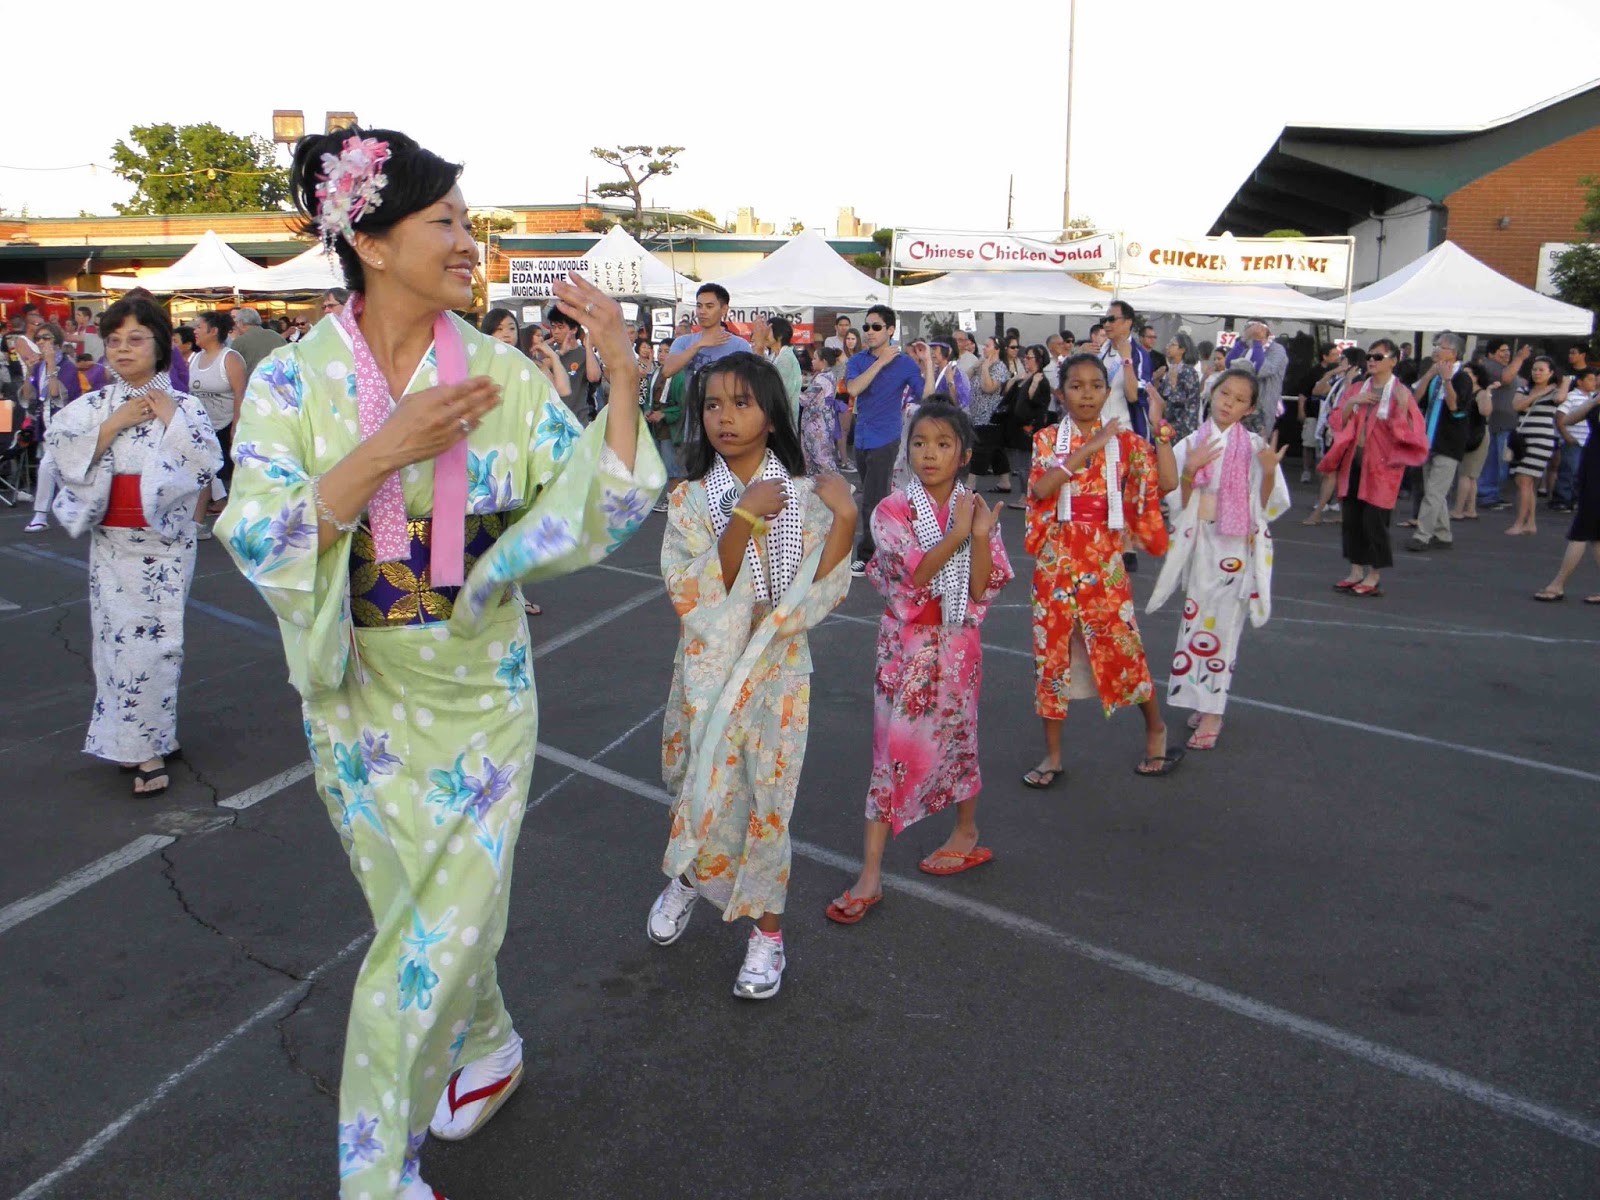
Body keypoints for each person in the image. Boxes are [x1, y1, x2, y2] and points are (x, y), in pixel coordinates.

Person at [217, 126, 663, 1200]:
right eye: (446, 222)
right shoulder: (292, 383)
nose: (470, 243)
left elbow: (597, 504)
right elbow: (257, 533)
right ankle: (492, 1043)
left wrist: (618, 373)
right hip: (356, 687)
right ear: (370, 240)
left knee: (427, 937)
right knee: (417, 915)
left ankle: (375, 1174)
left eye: (469, 222)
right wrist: (388, 446)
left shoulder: (502, 375)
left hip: (477, 693)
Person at [649, 351, 855, 999]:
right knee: (698, 780)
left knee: (768, 803)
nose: (725, 417)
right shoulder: (688, 499)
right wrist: (742, 515)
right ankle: (687, 877)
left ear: (772, 415)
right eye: (713, 404)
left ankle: (768, 936)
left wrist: (847, 519)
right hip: (708, 673)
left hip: (777, 675)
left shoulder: (805, 497)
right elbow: (691, 592)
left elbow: (826, 586)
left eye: (742, 403)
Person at [827, 402, 1012, 925]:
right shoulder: (890, 509)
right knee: (890, 752)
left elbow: (980, 587)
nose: (929, 454)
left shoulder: (972, 507)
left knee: (960, 736)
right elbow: (911, 579)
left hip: (957, 646)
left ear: (964, 454)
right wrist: (958, 534)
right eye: (920, 443)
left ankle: (966, 832)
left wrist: (977, 536)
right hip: (906, 645)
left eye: (943, 444)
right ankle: (871, 872)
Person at [44, 294, 222, 796]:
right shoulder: (93, 407)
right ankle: (141, 747)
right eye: (115, 339)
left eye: (136, 339)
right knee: (117, 646)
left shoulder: (185, 406)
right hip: (112, 544)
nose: (123, 348)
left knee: (160, 646)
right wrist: (114, 425)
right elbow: (60, 454)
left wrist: (171, 420)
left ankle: (148, 739)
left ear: (160, 347)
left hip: (165, 545)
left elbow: (207, 462)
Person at [1023, 354, 1180, 786]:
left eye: (1095, 385)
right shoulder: (1047, 439)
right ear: (1061, 394)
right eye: (1076, 386)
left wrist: (1160, 427)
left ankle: (1155, 727)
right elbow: (1039, 489)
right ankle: (1052, 756)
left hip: (1103, 565)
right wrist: (1087, 450)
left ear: (1107, 393)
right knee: (1051, 659)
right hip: (1056, 562)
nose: (1087, 393)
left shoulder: (1126, 443)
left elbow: (1165, 483)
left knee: (1122, 648)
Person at [1147, 368, 1290, 751]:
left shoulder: (1255, 445)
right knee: (1195, 624)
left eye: (1239, 399)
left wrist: (1270, 472)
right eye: (1225, 393)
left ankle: (1213, 712)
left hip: (1234, 551)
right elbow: (1173, 494)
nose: (1229, 403)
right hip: (1202, 543)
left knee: (1223, 629)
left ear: (1250, 408)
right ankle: (1202, 698)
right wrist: (1191, 470)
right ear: (1213, 392)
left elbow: (1266, 505)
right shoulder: (1193, 441)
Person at [1319, 338, 1428, 596]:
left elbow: (1413, 433)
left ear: (1392, 361)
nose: (1372, 361)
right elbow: (1337, 421)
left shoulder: (1401, 393)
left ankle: (1374, 574)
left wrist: (1400, 408)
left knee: (1374, 521)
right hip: (1354, 462)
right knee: (1352, 519)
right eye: (1370, 356)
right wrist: (1350, 403)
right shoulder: (1359, 388)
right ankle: (1356, 570)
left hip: (1382, 466)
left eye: (1378, 357)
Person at [846, 303, 924, 576]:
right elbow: (854, 388)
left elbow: (925, 395)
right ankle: (889, 550)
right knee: (874, 497)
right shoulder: (858, 360)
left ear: (890, 330)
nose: (869, 332)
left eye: (876, 327)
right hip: (863, 437)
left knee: (873, 499)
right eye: (866, 326)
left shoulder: (905, 364)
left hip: (885, 438)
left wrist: (927, 363)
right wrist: (880, 362)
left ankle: (868, 555)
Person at [1534, 365, 1600, 602]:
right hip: (1591, 465)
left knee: (1582, 529)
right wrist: (1594, 402)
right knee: (1594, 533)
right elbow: (1570, 419)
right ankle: (1558, 584)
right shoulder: (1594, 401)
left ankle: (1558, 584)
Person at [1405, 332, 1475, 552]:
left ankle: (1422, 535)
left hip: (1448, 443)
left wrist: (1446, 380)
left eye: (1440, 346)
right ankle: (1443, 534)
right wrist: (1429, 376)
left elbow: (1456, 407)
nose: (1435, 349)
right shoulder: (1433, 375)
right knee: (1433, 490)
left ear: (1453, 353)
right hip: (1429, 440)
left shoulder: (1461, 378)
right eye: (1435, 345)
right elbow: (1415, 400)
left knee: (1434, 492)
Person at [188, 310, 247, 530]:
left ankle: (230, 520)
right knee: (204, 472)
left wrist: (236, 427)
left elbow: (240, 393)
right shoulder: (195, 357)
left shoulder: (230, 358)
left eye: (199, 327)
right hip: (200, 426)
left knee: (222, 475)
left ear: (214, 331)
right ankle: (198, 521)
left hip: (225, 425)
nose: (194, 331)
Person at [20, 324, 83, 532]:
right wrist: (30, 370)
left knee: (47, 466)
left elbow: (57, 395)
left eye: (45, 338)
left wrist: (50, 366)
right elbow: (29, 394)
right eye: (38, 338)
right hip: (46, 424)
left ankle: (40, 515)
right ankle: (75, 511)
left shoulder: (67, 366)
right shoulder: (38, 367)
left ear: (56, 341)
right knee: (59, 472)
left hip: (65, 425)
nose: (40, 342)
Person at [660, 283, 753, 397]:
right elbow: (667, 371)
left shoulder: (739, 345)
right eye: (699, 306)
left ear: (724, 309)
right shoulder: (683, 341)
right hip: (694, 412)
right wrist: (699, 344)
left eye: (709, 307)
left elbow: (748, 384)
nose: (702, 311)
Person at [1506, 356, 1563, 536]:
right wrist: (1538, 393)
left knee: (1524, 480)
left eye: (1541, 370)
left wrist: (1565, 382)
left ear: (1551, 373)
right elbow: (1517, 406)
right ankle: (1530, 523)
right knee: (1526, 482)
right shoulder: (1525, 388)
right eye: (1534, 369)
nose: (1537, 373)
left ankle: (1519, 523)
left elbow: (1561, 398)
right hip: (1522, 439)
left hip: (1541, 439)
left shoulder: (1555, 392)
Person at [1002, 344, 1053, 510]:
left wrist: (1033, 383)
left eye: (1029, 358)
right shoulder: (1025, 377)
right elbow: (1007, 394)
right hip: (1017, 426)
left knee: (1025, 465)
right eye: (1025, 357)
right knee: (1021, 464)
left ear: (1038, 360)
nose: (1025, 360)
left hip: (1030, 427)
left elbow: (1034, 401)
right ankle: (1024, 495)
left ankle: (1027, 496)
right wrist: (1016, 379)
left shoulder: (1040, 380)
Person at [1097, 300, 1154, 437]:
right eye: (1104, 320)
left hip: (1127, 430)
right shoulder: (1100, 352)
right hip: (1098, 429)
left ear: (1128, 322)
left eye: (1111, 319)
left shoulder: (1139, 355)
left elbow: (1133, 396)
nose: (1106, 324)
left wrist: (1127, 359)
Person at [1450, 361, 1497, 522]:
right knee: (1471, 475)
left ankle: (1458, 509)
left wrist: (1488, 393)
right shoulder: (1466, 391)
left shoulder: (1481, 393)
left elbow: (1485, 411)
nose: (1465, 375)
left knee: (1466, 474)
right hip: (1469, 434)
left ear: (1477, 377)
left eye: (1469, 373)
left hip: (1476, 435)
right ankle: (1470, 509)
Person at [968, 335, 1012, 491]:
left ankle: (971, 483)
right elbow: (965, 379)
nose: (984, 348)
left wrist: (986, 368)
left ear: (997, 349)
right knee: (996, 449)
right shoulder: (981, 364)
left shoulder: (999, 367)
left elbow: (989, 388)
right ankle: (1004, 481)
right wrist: (978, 365)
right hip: (977, 414)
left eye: (987, 346)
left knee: (981, 449)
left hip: (989, 417)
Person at [547, 304, 601, 424]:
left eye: (560, 327)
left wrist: (588, 348)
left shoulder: (584, 354)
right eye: (553, 327)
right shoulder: (548, 352)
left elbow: (594, 377)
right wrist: (559, 353)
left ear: (574, 329)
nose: (555, 332)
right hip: (553, 420)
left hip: (579, 420)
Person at [1552, 351, 1591, 512]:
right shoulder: (1572, 396)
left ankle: (1574, 499)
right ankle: (1562, 499)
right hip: (1573, 440)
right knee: (1569, 470)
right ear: (1580, 382)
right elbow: (1560, 416)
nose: (1594, 382)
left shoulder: (1593, 397)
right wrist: (1566, 436)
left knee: (1579, 472)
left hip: (1587, 442)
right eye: (1590, 379)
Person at [799, 344, 843, 473]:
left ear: (823, 361)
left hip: (817, 423)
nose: (812, 361)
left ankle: (838, 485)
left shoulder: (821, 379)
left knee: (820, 458)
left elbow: (805, 399)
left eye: (814, 358)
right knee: (819, 456)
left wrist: (793, 389)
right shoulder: (829, 375)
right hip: (824, 420)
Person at [1157, 331, 1203, 440]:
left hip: (1183, 427)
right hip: (1168, 422)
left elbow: (1187, 401)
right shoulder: (1171, 369)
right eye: (1168, 344)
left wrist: (1174, 385)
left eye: (1172, 345)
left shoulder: (1188, 371)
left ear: (1182, 350)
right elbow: (1161, 394)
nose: (1168, 347)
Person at [230, 307, 287, 379]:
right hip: (280, 384)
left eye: (237, 323)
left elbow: (231, 370)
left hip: (253, 385)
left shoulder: (240, 341)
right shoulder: (277, 336)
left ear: (241, 323)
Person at [921, 340, 972, 410]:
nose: (932, 352)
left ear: (949, 350)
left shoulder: (958, 374)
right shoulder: (935, 373)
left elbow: (960, 405)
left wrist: (950, 381)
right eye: (931, 349)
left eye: (935, 349)